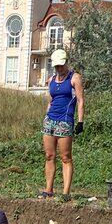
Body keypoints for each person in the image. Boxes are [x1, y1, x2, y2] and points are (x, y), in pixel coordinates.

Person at [39, 48, 84, 201]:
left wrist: (80, 121)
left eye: (61, 65)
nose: (59, 68)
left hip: (65, 121)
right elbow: (50, 101)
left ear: (66, 63)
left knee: (66, 157)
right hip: (50, 120)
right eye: (56, 66)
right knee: (49, 155)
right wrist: (46, 116)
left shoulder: (74, 78)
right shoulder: (51, 80)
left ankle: (65, 192)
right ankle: (48, 189)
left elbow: (80, 101)